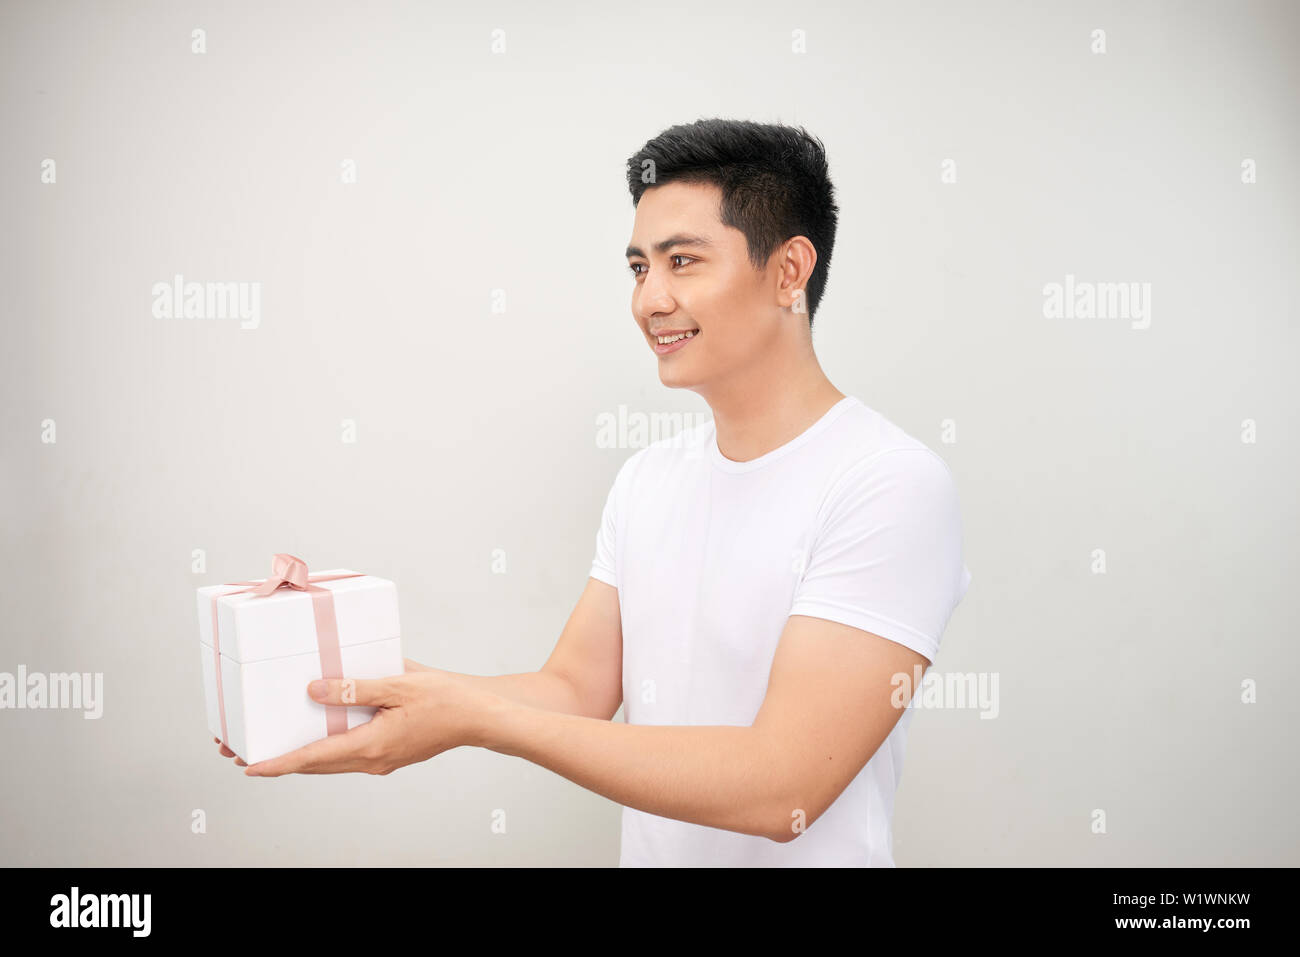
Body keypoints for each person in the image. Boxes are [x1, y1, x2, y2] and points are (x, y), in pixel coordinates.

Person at [218, 117, 972, 867]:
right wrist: (377, 685)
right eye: (640, 268)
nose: (651, 301)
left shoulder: (888, 484)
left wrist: (473, 720)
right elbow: (574, 688)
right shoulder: (648, 479)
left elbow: (783, 789)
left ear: (789, 271)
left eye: (683, 262)